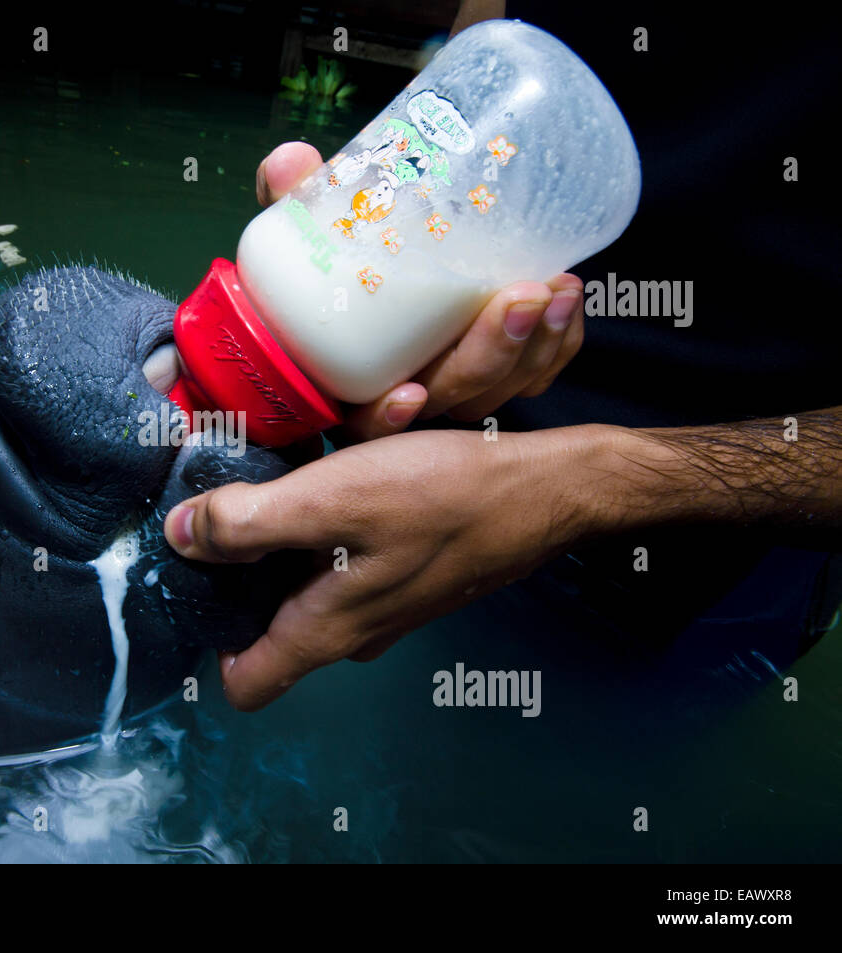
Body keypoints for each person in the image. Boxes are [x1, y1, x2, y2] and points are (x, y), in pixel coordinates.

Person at [163, 0, 842, 712]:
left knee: (582, 760)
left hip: (714, 542)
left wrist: (586, 485)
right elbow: (475, 68)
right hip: (417, 412)